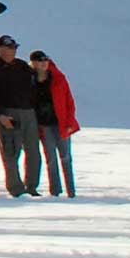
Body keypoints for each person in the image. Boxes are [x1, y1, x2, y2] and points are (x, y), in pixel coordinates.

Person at [0, 34, 41, 197]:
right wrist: (0, 115)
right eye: (9, 48)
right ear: (0, 49)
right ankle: (15, 188)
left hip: (28, 112)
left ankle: (31, 186)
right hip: (8, 113)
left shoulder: (22, 66)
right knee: (11, 152)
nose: (13, 51)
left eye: (14, 48)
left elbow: (36, 85)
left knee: (33, 151)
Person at [30, 50, 80, 197]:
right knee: (50, 158)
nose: (44, 63)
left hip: (61, 123)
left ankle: (71, 191)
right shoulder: (30, 80)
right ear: (34, 63)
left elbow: (69, 101)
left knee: (65, 157)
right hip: (44, 125)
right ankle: (55, 190)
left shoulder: (58, 78)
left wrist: (70, 121)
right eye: (40, 61)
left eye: (46, 60)